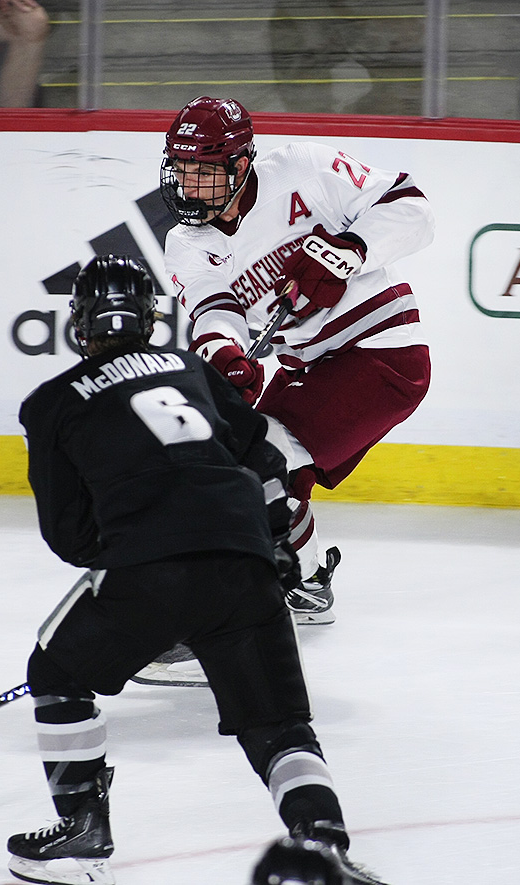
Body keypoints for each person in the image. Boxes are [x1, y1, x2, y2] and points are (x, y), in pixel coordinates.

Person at [9, 255, 386, 885]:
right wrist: (274, 542)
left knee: (55, 669)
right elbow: (265, 455)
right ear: (151, 318)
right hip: (245, 562)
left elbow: (70, 538)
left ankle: (82, 836)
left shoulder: (51, 403)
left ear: (79, 323)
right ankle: (325, 850)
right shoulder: (190, 369)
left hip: (148, 570)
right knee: (279, 727)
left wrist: (146, 577)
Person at [159, 95, 434, 627]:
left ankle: (259, 597)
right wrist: (226, 355)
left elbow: (414, 209)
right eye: (181, 171)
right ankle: (303, 586)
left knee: (266, 453)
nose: (189, 187)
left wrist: (345, 250)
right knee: (254, 467)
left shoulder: (302, 168)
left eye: (203, 173)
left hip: (382, 354)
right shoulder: (186, 242)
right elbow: (214, 309)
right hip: (309, 365)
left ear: (241, 164)